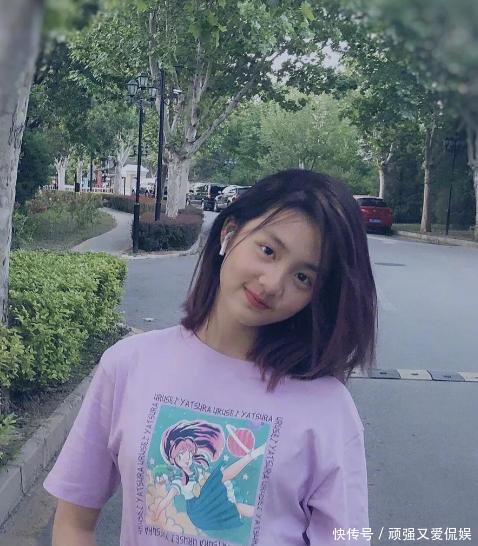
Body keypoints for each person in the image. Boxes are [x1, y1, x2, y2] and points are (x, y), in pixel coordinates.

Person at [44, 169, 377, 546]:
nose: (272, 284)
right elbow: (73, 523)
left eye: (303, 278)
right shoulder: (127, 366)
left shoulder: (329, 409)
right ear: (229, 233)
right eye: (268, 251)